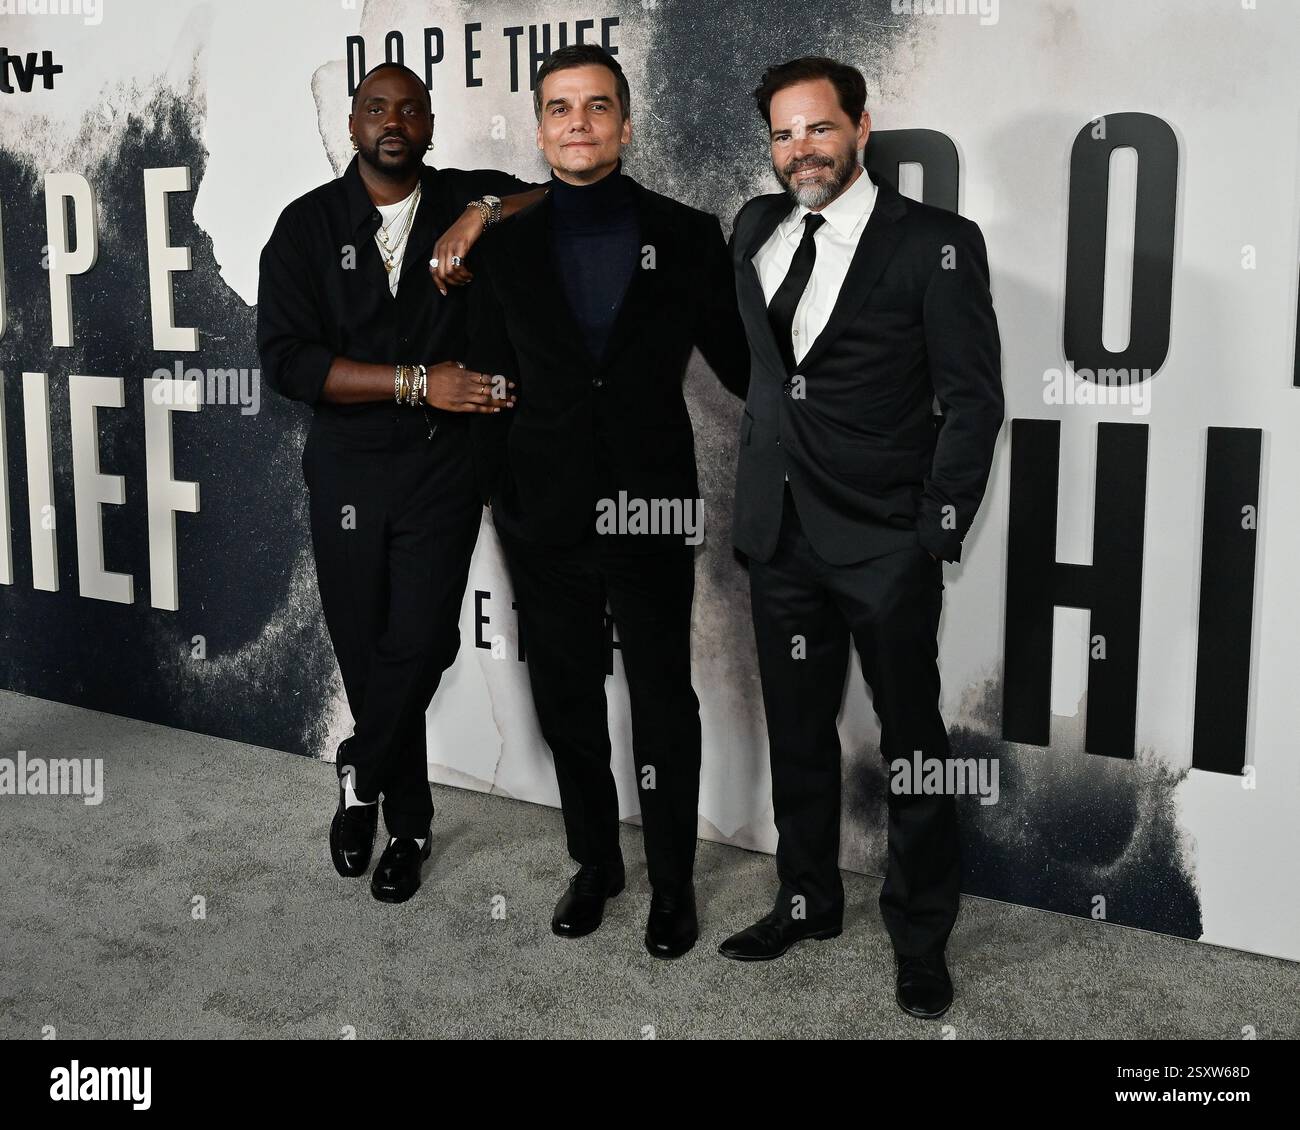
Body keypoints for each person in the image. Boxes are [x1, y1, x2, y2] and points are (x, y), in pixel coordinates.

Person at [717, 56, 1003, 1019]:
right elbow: (758, 365)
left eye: (818, 129)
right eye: (784, 134)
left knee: (910, 745)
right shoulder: (754, 227)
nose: (801, 150)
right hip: (778, 536)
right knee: (797, 736)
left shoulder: (935, 243)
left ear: (861, 127)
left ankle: (921, 938)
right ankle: (808, 900)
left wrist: (935, 530)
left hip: (885, 543)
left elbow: (973, 401)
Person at [464, 44, 749, 958]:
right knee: (567, 698)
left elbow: (747, 369)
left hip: (652, 508)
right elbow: (486, 375)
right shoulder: (499, 244)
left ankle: (672, 882)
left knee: (665, 698)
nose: (577, 122)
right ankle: (595, 863)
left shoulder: (692, 232)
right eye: (559, 107)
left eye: (596, 107)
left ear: (626, 125)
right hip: (540, 511)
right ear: (541, 126)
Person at [256, 61, 543, 904]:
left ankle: (360, 770)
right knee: (367, 648)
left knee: (418, 643)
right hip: (347, 466)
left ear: (429, 123)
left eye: (410, 109)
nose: (393, 121)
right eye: (376, 108)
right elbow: (288, 361)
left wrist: (483, 215)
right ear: (352, 125)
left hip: (443, 466)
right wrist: (419, 380)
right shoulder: (306, 226)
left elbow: (559, 196)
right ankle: (408, 824)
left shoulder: (465, 193)